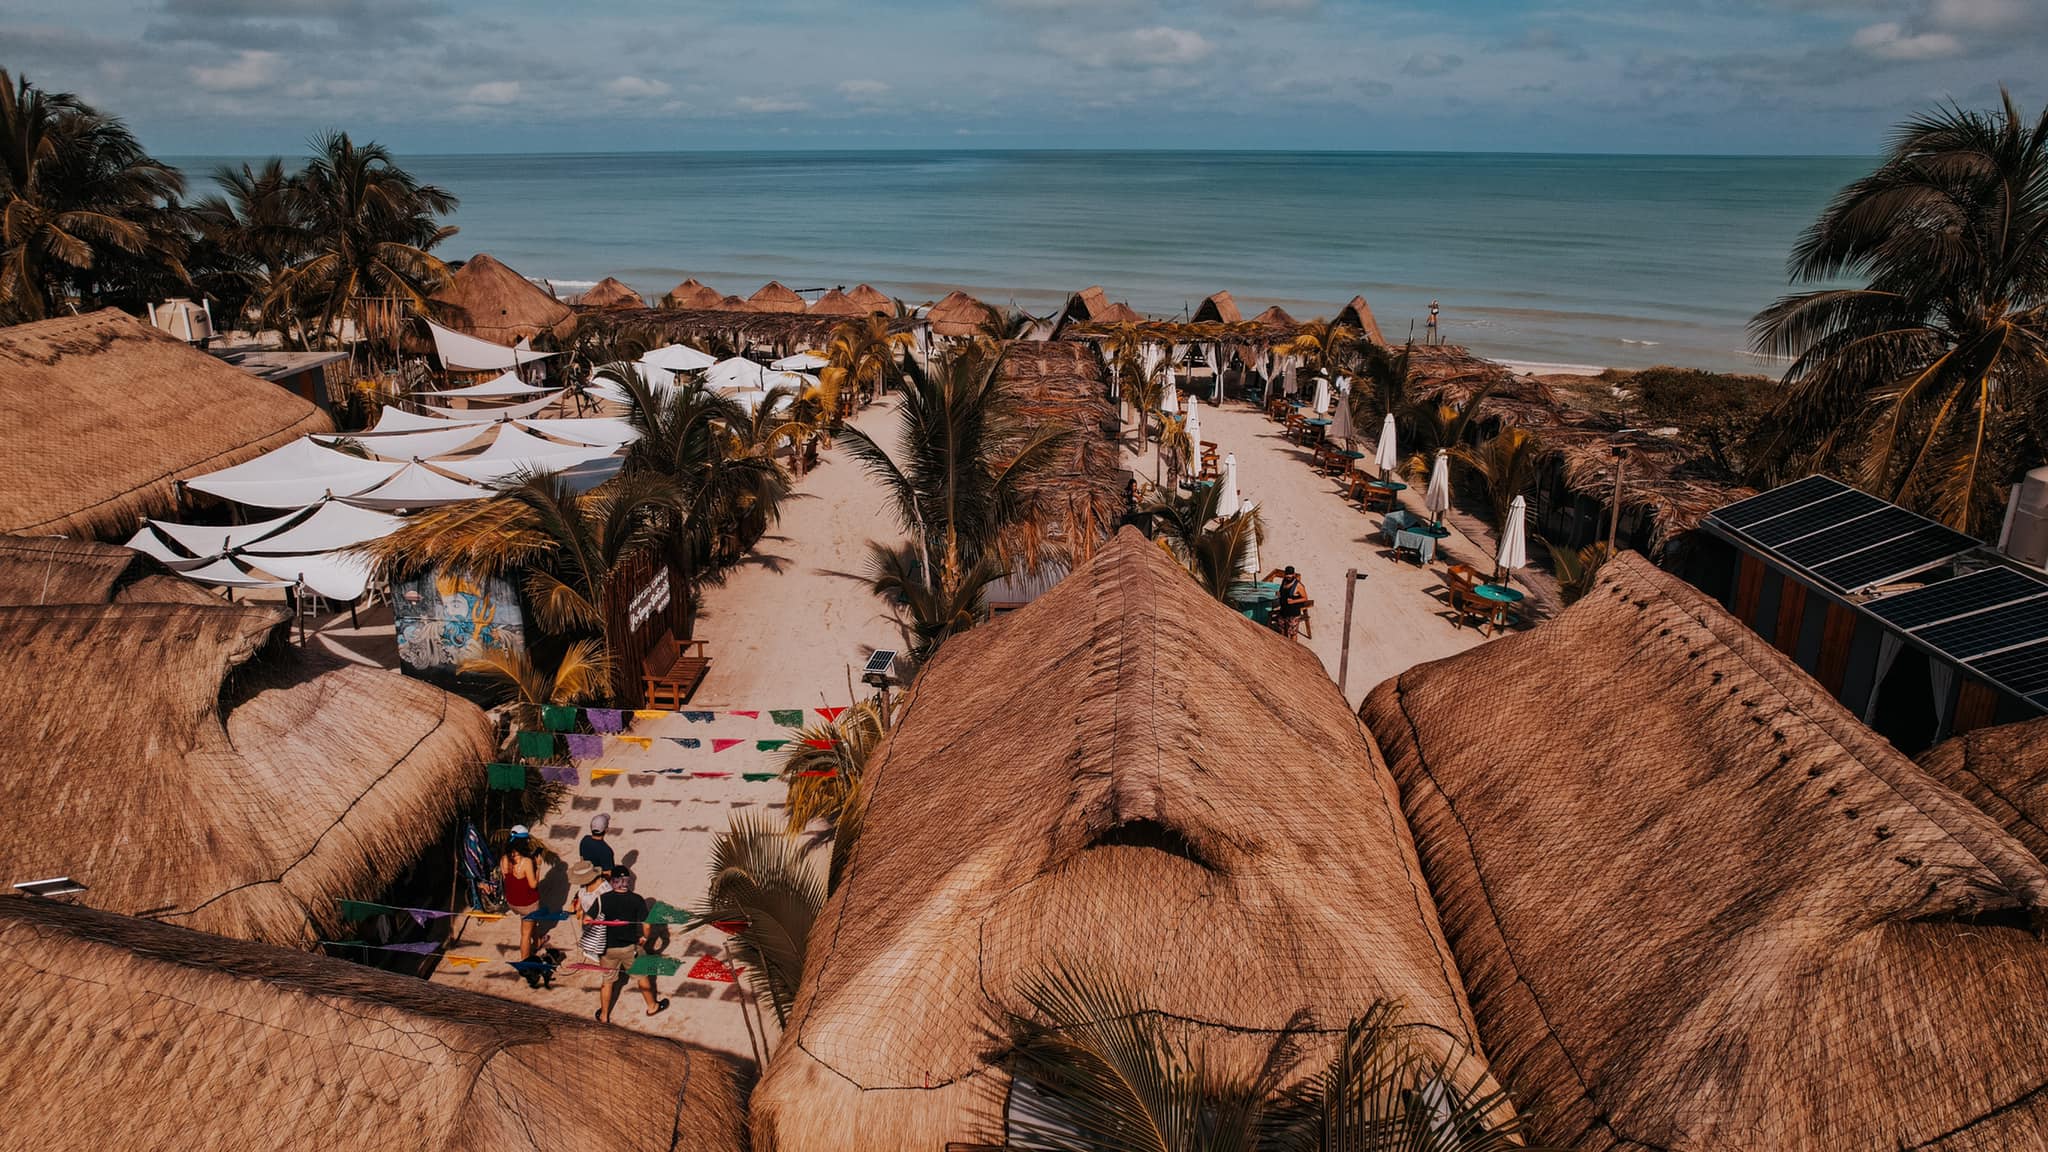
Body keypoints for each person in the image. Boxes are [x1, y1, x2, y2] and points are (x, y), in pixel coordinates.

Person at [581, 865, 668, 1023]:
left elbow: (586, 920)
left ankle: (604, 1015)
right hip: (629, 948)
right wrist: (644, 938)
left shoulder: (603, 899)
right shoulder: (637, 900)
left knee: (607, 982)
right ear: (627, 881)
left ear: (612, 881)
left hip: (607, 948)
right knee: (642, 977)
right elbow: (647, 925)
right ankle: (652, 1006)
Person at [500, 827, 545, 978]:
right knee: (525, 934)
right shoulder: (526, 862)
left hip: (513, 901)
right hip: (527, 903)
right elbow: (533, 885)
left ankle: (538, 942)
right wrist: (538, 866)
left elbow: (508, 879)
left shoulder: (504, 858)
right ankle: (525, 964)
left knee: (530, 922)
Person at [1272, 566, 1310, 635]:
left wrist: (1293, 601)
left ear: (1294, 574)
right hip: (1283, 611)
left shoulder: (1298, 585)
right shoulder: (1284, 581)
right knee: (1282, 631)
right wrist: (1279, 594)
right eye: (1287, 575)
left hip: (1293, 614)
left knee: (1293, 634)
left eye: (1290, 575)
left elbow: (1305, 598)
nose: (1288, 577)